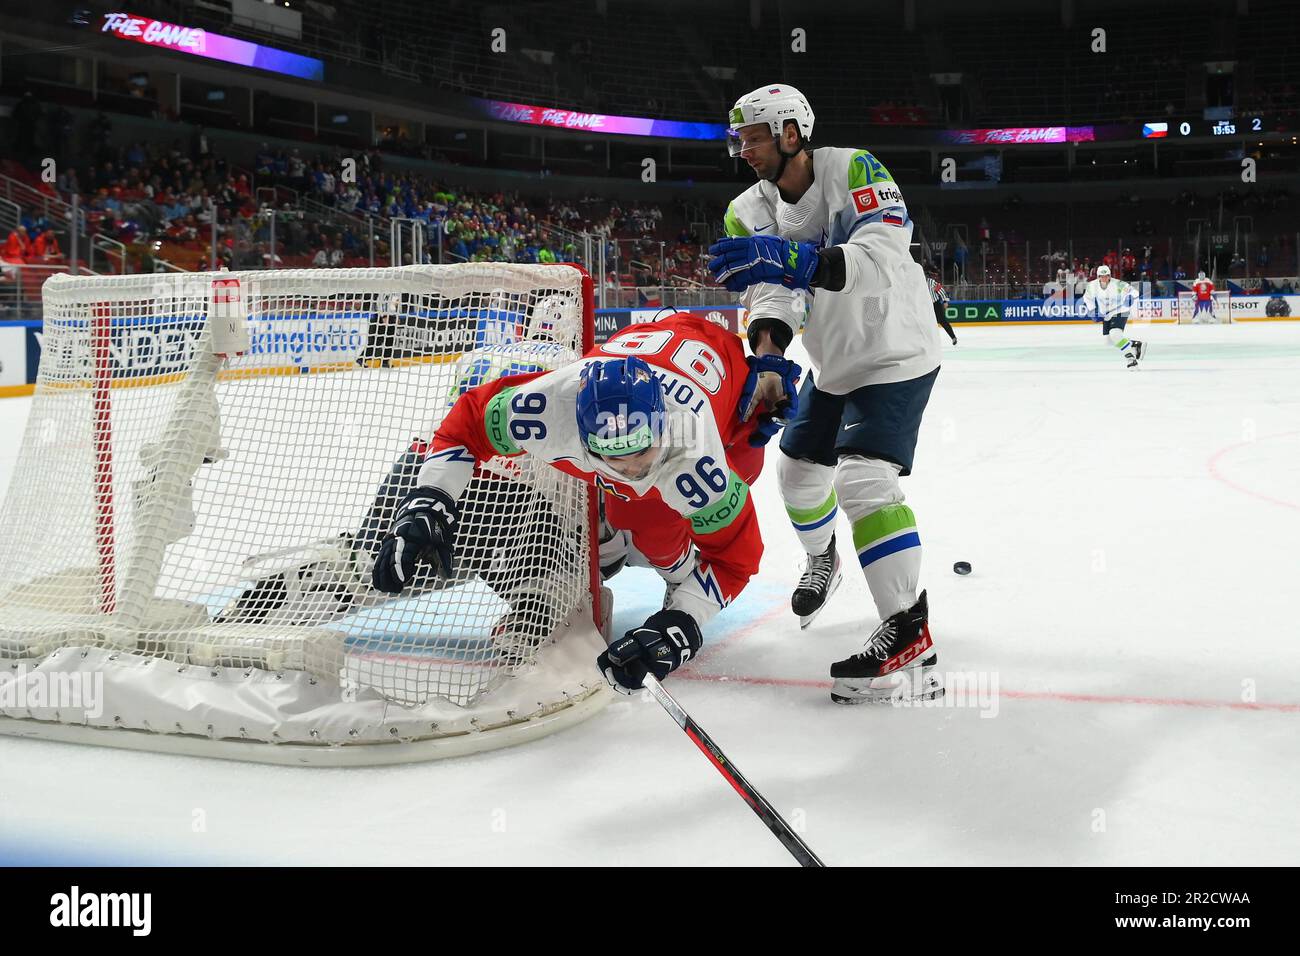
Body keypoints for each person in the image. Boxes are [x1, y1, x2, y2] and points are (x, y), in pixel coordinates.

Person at [371, 311, 800, 695]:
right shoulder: (546, 407)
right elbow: (465, 424)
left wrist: (683, 621)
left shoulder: (694, 458)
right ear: (578, 430)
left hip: (729, 397)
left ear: (662, 426)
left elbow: (734, 559)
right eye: (612, 453)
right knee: (622, 505)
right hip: (653, 346)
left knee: (652, 520)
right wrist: (430, 500)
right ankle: (602, 550)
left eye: (639, 449)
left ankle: (678, 572)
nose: (630, 466)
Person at [706, 84, 944, 705]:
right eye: (738, 140)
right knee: (797, 477)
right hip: (833, 361)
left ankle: (909, 631)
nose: (743, 150)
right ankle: (825, 560)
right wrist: (768, 359)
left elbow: (880, 257)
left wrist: (791, 259)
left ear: (791, 133)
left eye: (752, 137)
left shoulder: (856, 168)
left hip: (896, 348)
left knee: (863, 482)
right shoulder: (745, 210)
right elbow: (771, 295)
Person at [1081, 264, 1144, 368]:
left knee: (1115, 334)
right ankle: (1134, 344)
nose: (1105, 278)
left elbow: (1134, 292)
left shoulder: (1118, 284)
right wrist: (1092, 311)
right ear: (1098, 277)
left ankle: (1130, 358)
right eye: (1102, 276)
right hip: (1106, 314)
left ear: (1110, 276)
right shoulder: (1092, 286)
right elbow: (1087, 299)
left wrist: (1131, 297)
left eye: (1107, 275)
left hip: (1121, 310)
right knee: (1108, 341)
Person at [926, 263, 957, 345]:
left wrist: (945, 301)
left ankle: (953, 337)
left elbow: (941, 291)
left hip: (935, 304)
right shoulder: (919, 283)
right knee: (927, 323)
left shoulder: (931, 282)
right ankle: (929, 341)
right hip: (926, 306)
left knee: (942, 321)